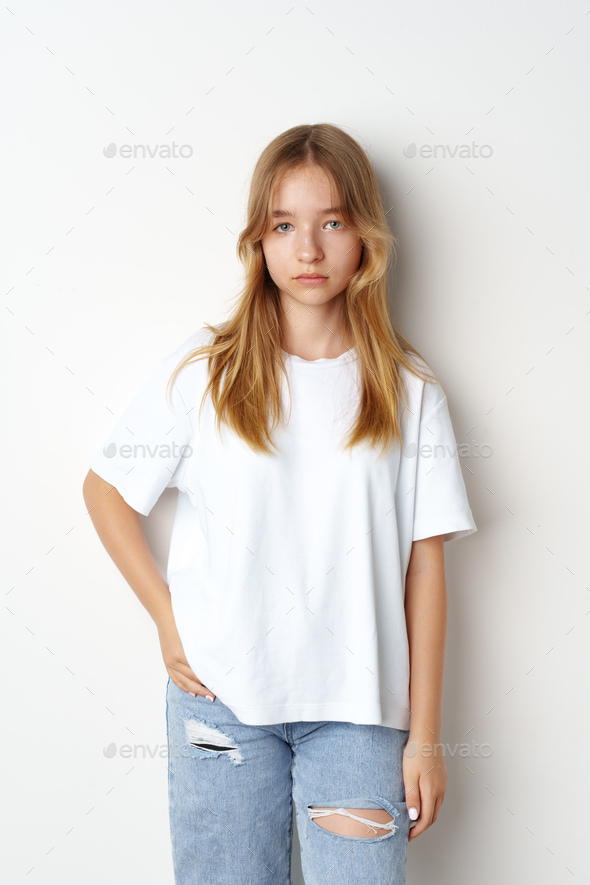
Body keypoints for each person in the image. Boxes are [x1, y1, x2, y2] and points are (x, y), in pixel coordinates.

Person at [83, 122, 477, 885]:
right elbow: (104, 490)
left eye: (333, 222)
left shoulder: (410, 390)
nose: (309, 250)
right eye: (285, 226)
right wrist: (167, 618)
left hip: (359, 714)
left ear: (365, 237)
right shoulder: (206, 372)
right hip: (219, 703)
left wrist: (426, 736)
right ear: (258, 240)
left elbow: (425, 568)